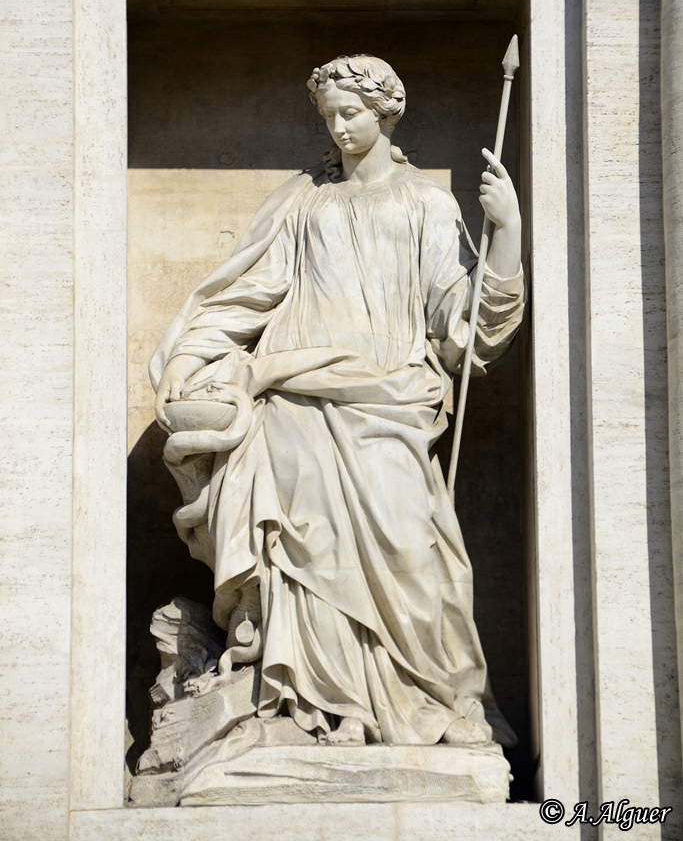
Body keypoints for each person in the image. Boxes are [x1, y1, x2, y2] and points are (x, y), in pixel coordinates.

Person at [150, 54, 525, 747]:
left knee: (412, 545)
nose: (339, 128)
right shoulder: (304, 200)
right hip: (293, 398)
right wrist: (190, 354)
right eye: (329, 117)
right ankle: (313, 708)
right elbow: (245, 293)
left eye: (350, 113)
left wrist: (504, 235)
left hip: (388, 400)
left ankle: (426, 699)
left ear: (385, 114)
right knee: (301, 549)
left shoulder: (426, 203)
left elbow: (466, 328)